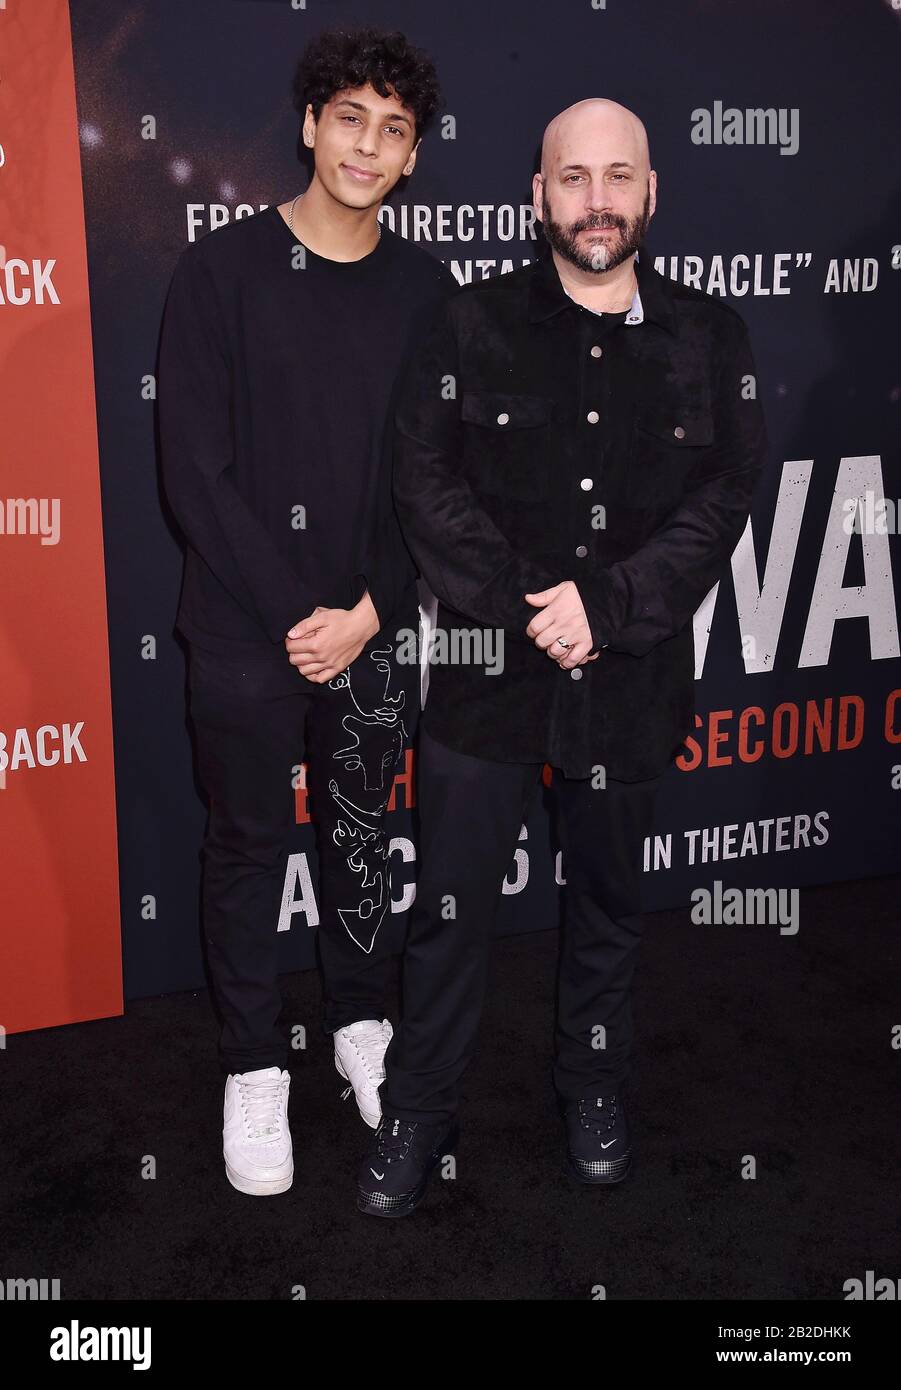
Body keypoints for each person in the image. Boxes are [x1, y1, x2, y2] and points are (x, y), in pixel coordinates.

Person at [357, 98, 768, 1217]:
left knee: (605, 906)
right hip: (489, 674)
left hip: (629, 681)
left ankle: (592, 1084)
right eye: (572, 176)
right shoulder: (467, 325)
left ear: (648, 195)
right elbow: (422, 481)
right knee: (446, 916)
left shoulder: (707, 335)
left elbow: (725, 491)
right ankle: (419, 1106)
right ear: (534, 196)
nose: (596, 198)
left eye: (617, 176)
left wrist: (612, 603)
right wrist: (527, 604)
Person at [158, 26, 455, 1196]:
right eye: (349, 119)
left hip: (375, 627)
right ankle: (250, 1070)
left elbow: (435, 478)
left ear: (414, 154)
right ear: (308, 125)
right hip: (244, 633)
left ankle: (359, 1029)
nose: (366, 146)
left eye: (393, 129)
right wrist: (302, 615)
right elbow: (194, 474)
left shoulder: (430, 292)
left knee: (359, 849)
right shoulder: (220, 273)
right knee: (243, 848)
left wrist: (370, 612)